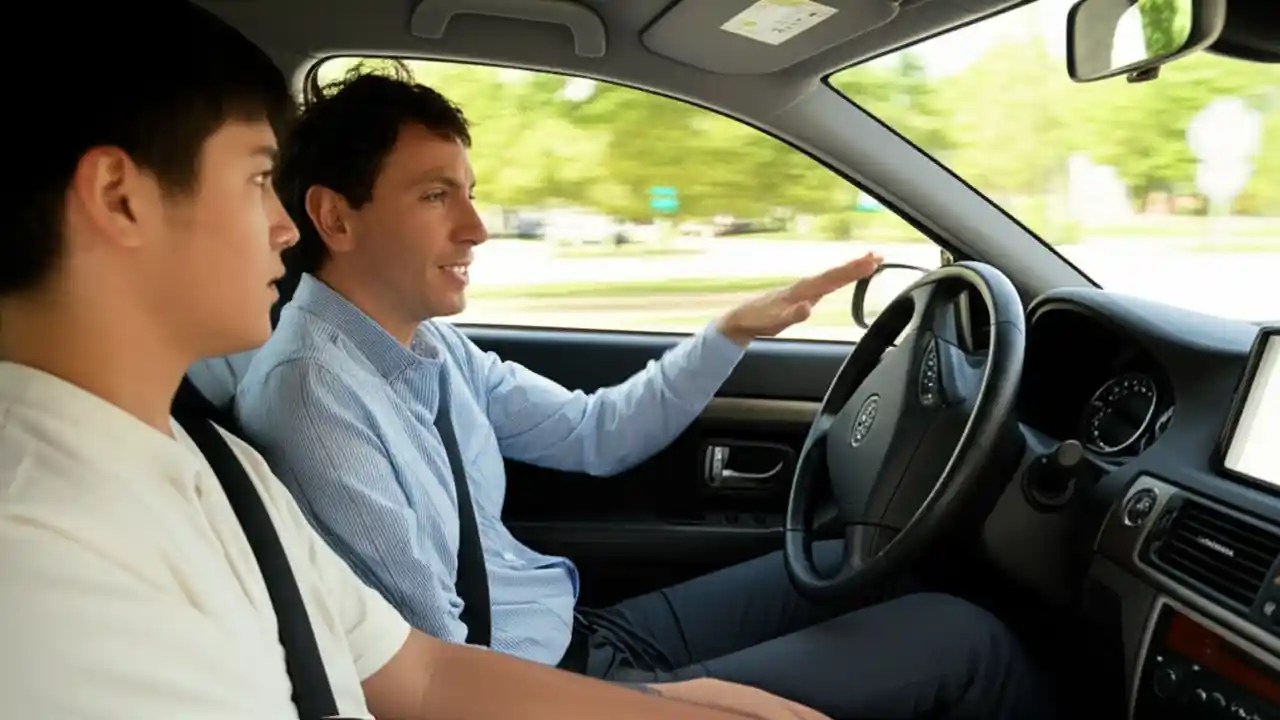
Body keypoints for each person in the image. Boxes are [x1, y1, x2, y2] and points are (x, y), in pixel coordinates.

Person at [0, 3, 831, 718]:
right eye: (259, 179)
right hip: (543, 666)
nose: (280, 227)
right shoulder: (42, 571)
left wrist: (673, 710)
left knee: (850, 573)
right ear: (119, 198)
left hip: (546, 649)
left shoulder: (207, 462)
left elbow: (421, 676)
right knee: (950, 642)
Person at [234, 67, 1051, 719]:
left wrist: (731, 330)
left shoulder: (429, 346)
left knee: (865, 567)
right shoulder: (315, 402)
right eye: (436, 195)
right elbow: (443, 679)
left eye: (470, 192)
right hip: (532, 691)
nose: (477, 228)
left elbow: (596, 435)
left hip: (576, 640)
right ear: (335, 219)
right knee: (964, 641)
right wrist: (674, 704)